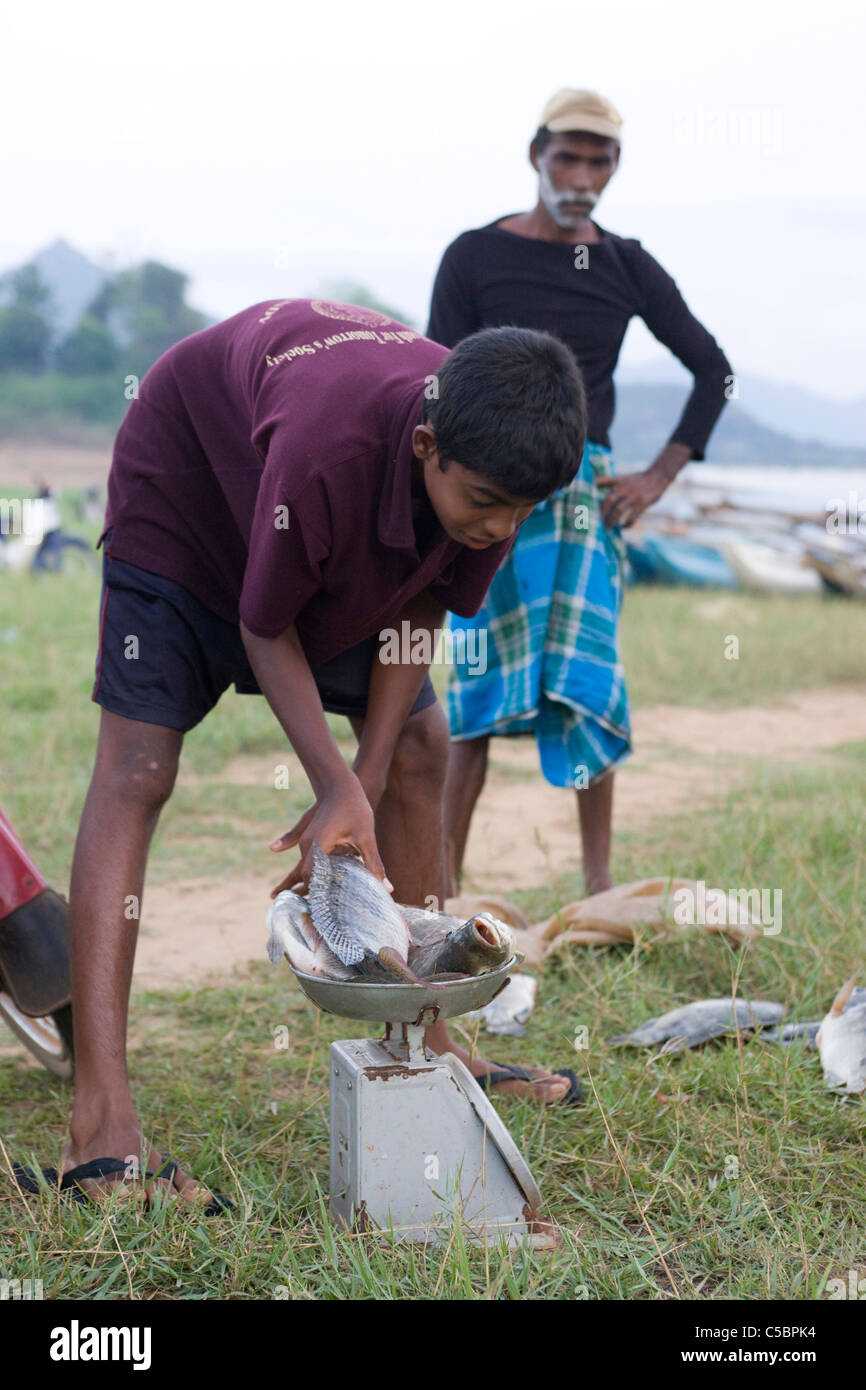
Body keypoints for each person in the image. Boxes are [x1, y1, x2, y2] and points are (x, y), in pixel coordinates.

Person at [49, 297, 589, 1209]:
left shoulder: (490, 466)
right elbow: (264, 624)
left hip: (308, 514)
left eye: (524, 512)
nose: (502, 528)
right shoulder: (330, 446)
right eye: (487, 504)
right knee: (138, 769)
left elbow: (423, 602)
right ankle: (100, 1129)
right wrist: (331, 782)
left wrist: (361, 781)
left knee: (419, 743)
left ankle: (434, 1044)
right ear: (427, 446)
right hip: (187, 496)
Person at [428, 88, 733, 898]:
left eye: (600, 162)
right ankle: (441, 889)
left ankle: (598, 890)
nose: (583, 177)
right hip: (485, 501)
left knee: (589, 682)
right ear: (537, 155)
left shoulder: (627, 266)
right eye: (568, 158)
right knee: (475, 693)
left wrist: (658, 475)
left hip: (581, 509)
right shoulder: (474, 256)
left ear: (615, 167)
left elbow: (714, 370)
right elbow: (434, 376)